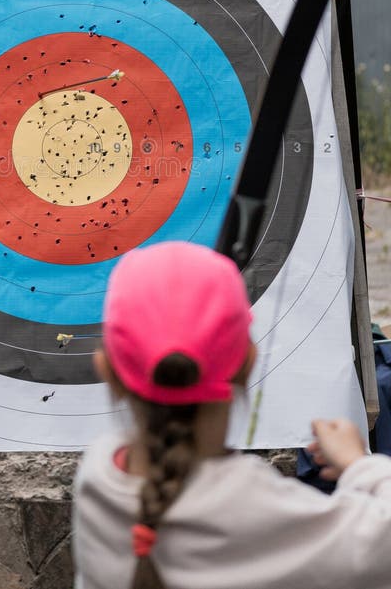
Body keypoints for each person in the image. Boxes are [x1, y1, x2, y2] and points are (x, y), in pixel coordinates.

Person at [72, 241, 391, 589]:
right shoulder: (259, 507)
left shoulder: (97, 479)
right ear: (249, 360)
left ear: (105, 367)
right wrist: (359, 464)